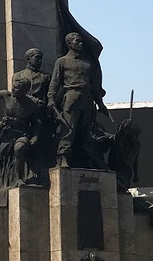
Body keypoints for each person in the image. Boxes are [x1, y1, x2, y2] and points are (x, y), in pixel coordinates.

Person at [48, 32, 112, 168]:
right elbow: (55, 82)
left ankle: (85, 158)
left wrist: (100, 104)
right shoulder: (62, 61)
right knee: (68, 129)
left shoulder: (87, 63)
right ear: (69, 44)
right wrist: (51, 99)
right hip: (72, 97)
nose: (81, 43)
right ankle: (63, 157)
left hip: (87, 99)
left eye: (81, 41)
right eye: (77, 41)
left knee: (85, 131)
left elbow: (94, 86)